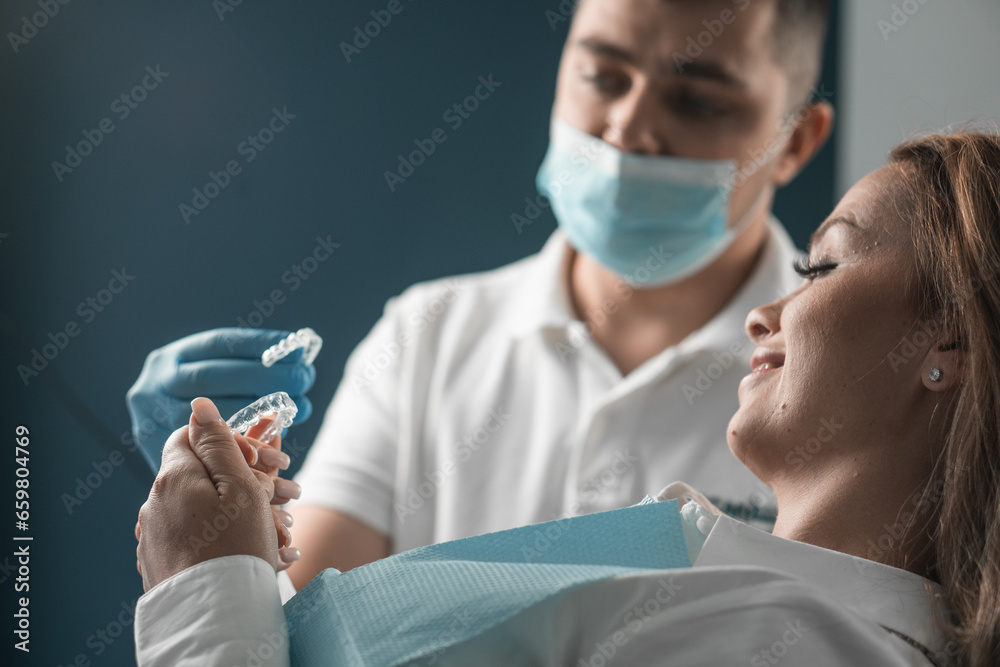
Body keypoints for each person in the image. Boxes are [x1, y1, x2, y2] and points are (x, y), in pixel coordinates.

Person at [133, 130, 1000, 667]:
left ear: (947, 347)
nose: (765, 315)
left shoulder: (788, 635)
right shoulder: (699, 570)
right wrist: (239, 555)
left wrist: (202, 595)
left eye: (823, 265)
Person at [127, 0, 835, 583]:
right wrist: (214, 516)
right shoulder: (425, 339)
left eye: (696, 100)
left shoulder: (848, 379)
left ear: (797, 141)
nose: (630, 128)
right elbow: (291, 627)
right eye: (603, 75)